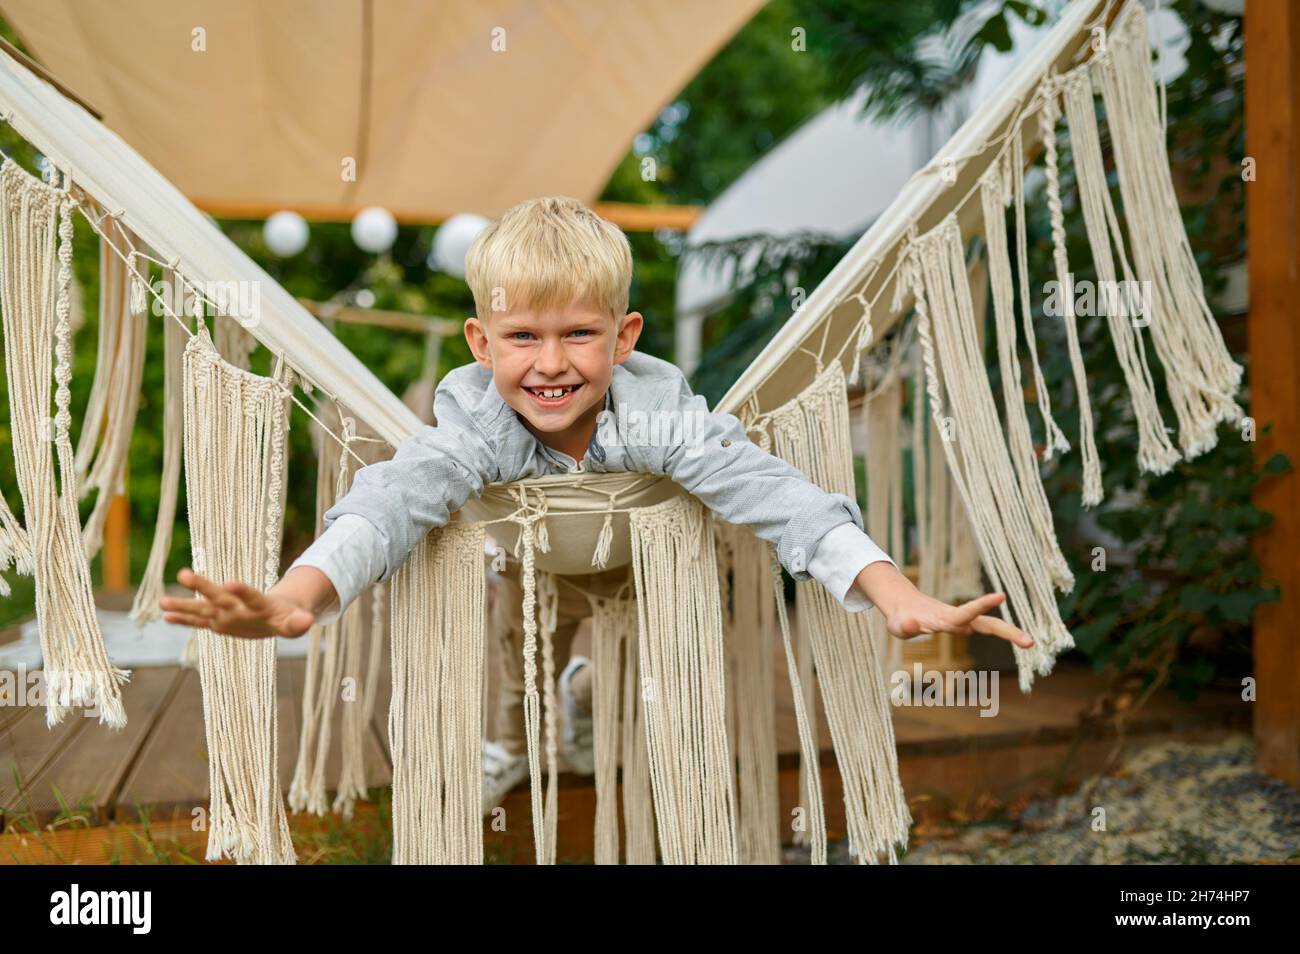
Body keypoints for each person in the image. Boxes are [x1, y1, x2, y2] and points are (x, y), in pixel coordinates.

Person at [160, 195, 1033, 811]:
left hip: (648, 570)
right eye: (521, 339)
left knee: (660, 664)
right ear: (480, 343)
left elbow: (771, 492)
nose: (550, 365)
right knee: (520, 650)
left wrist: (890, 588)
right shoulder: (479, 426)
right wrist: (296, 598)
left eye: (579, 334)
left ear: (625, 337)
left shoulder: (659, 416)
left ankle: (604, 715)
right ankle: (519, 737)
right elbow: (392, 500)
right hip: (535, 565)